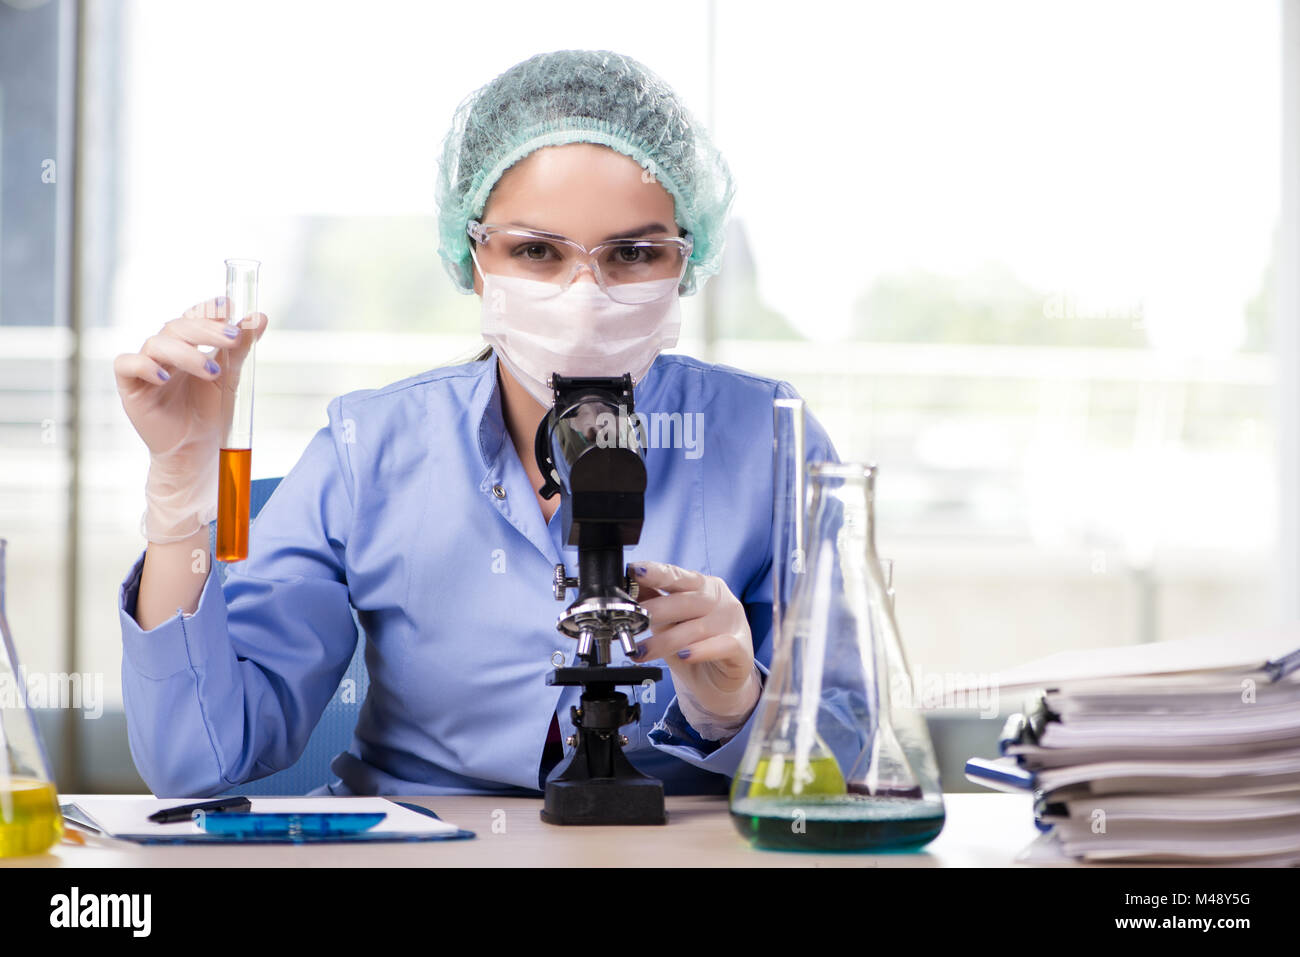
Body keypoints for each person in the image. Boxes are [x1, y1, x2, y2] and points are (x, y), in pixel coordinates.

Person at [112, 49, 837, 798]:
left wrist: (737, 708)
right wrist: (181, 489)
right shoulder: (373, 450)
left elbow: (853, 751)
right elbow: (196, 758)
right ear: (474, 252)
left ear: (687, 259)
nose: (584, 297)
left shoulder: (770, 441)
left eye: (632, 252)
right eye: (536, 250)